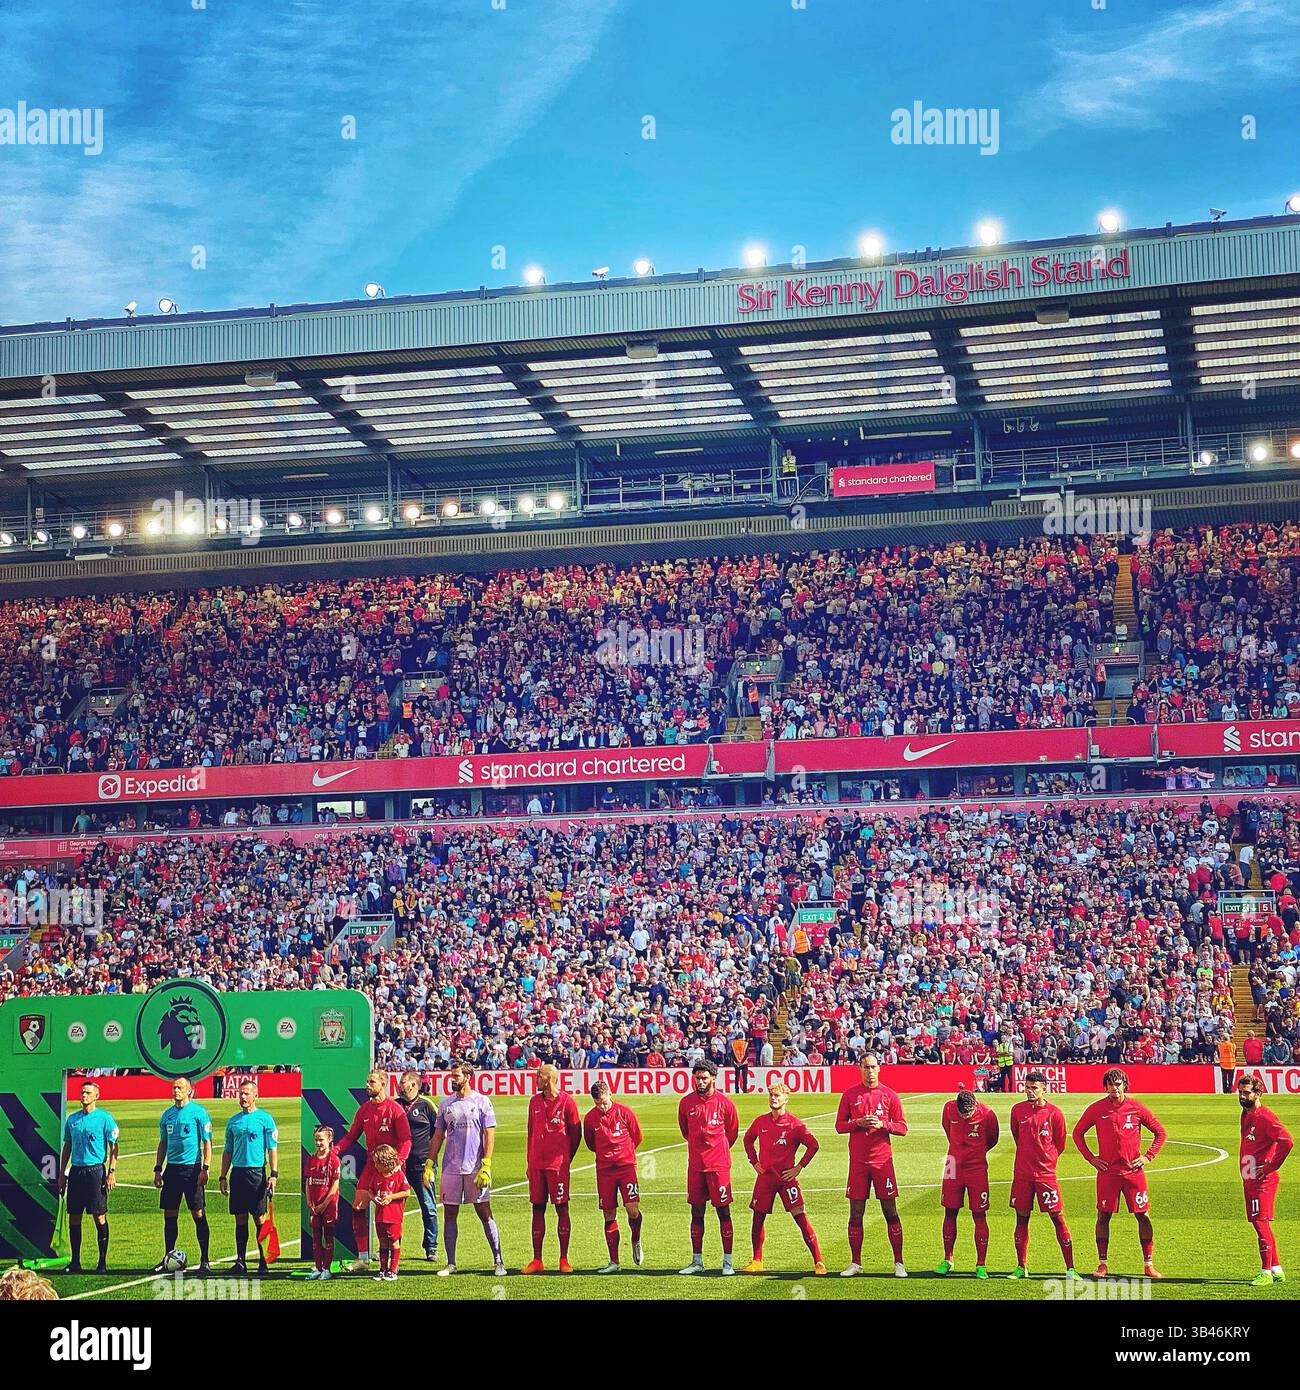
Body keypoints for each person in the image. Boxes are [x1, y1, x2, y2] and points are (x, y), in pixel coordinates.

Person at [1071, 1068, 1166, 1279]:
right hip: (1108, 1174)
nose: (1115, 1089)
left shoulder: (1137, 1108)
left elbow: (1160, 1133)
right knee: (1103, 1216)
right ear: (1105, 1087)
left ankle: (1148, 1264)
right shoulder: (1097, 1109)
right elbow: (1077, 1133)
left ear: (1125, 1085)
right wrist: (1091, 1158)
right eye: (1111, 1085)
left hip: (1134, 1173)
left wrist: (1148, 1156)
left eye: (1118, 1084)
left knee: (1143, 1216)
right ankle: (1102, 1264)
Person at [429, 1061, 506, 1277]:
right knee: (450, 1214)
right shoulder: (446, 1104)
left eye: (456, 1076)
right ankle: (451, 1263)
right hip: (451, 1168)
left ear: (468, 1077)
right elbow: (438, 1136)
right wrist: (429, 1161)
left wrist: (487, 1164)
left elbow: (489, 1133)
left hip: (475, 1168)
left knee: (484, 1212)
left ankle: (498, 1261)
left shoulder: (482, 1101)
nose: (452, 1079)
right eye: (451, 1076)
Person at [835, 1052, 907, 1277]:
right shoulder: (850, 1094)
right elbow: (839, 1126)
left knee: (889, 1210)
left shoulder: (889, 1095)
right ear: (860, 1068)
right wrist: (858, 1122)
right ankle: (855, 1263)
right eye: (866, 1067)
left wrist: (884, 1124)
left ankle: (899, 1263)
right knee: (856, 1211)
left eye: (874, 1067)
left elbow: (902, 1127)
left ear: (880, 1068)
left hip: (882, 1162)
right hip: (858, 1163)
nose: (870, 1071)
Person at [741, 1081, 825, 1275]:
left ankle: (818, 1261)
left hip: (787, 1179)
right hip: (765, 1179)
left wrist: (799, 1167)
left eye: (777, 1096)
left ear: (786, 1099)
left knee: (800, 1217)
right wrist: (754, 1161)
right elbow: (747, 1139)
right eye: (771, 1096)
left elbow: (813, 1145)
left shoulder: (795, 1124)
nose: (773, 1099)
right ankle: (757, 1260)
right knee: (758, 1219)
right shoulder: (760, 1121)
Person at [333, 1068, 411, 1272]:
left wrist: (398, 1163)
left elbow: (406, 1140)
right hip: (371, 1164)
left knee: (391, 1214)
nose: (367, 1085)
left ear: (383, 1084)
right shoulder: (364, 1110)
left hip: (391, 1169)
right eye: (367, 1082)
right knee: (358, 1206)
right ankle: (364, 1258)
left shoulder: (395, 1109)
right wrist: (336, 1150)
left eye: (371, 1082)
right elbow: (351, 1136)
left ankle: (392, 1260)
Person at [1008, 1072, 1076, 1280]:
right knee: (1021, 1218)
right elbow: (1017, 1137)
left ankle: (1070, 1268)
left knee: (1058, 1218)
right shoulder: (1017, 1110)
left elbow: (1060, 1143)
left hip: (1046, 1175)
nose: (1030, 1091)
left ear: (1044, 1088)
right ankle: (1022, 1266)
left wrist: (1047, 1160)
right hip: (1022, 1175)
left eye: (1034, 1087)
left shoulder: (1054, 1113)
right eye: (1027, 1087)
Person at [677, 1060, 739, 1275]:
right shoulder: (686, 1103)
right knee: (696, 1213)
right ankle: (697, 1261)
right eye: (697, 1078)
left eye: (704, 1078)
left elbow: (732, 1133)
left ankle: (728, 1262)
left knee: (723, 1211)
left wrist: (717, 1151)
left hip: (718, 1166)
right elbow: (686, 1131)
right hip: (695, 1166)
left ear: (713, 1078)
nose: (700, 1082)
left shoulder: (725, 1103)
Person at [522, 1063, 581, 1274]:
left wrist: (565, 1159)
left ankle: (563, 1259)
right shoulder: (534, 1102)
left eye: (539, 1076)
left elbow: (576, 1134)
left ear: (548, 1079)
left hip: (557, 1167)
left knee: (561, 1208)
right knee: (537, 1208)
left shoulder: (567, 1102)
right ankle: (537, 1259)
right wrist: (529, 1162)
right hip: (537, 1166)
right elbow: (530, 1133)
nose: (535, 1079)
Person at [151, 1076, 214, 1275]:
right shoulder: (167, 1115)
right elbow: (163, 1144)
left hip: (192, 1170)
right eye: (174, 1087)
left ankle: (205, 1260)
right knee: (170, 1216)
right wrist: (158, 1168)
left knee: (198, 1214)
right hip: (172, 1171)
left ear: (189, 1091)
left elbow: (207, 1142)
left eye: (180, 1087)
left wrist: (205, 1168)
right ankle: (167, 1257)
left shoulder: (199, 1113)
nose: (175, 1090)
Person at [935, 1088, 999, 1279]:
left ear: (975, 1106)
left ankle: (981, 1264)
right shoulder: (948, 1108)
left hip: (977, 1167)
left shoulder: (987, 1115)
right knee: (949, 1211)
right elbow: (947, 1128)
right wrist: (957, 1150)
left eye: (969, 1113)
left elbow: (992, 1139)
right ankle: (948, 1259)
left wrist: (975, 1153)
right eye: (962, 1113)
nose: (965, 1117)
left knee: (979, 1214)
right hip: (952, 1164)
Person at [1237, 1072, 1294, 1286]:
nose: (1242, 1096)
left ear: (1258, 1093)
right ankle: (1276, 1268)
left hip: (1262, 1180)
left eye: (1246, 1093)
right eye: (1240, 1092)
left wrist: (1270, 1166)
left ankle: (1265, 1272)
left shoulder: (1266, 1117)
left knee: (1261, 1223)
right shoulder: (1246, 1114)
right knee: (1259, 1223)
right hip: (1249, 1177)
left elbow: (1287, 1141)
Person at [583, 1075, 644, 1274]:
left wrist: (625, 1153)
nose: (603, 1107)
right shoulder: (590, 1118)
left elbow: (637, 1136)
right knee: (609, 1212)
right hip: (604, 1171)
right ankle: (614, 1261)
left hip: (626, 1168)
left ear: (611, 1095)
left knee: (632, 1209)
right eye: (598, 1104)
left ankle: (635, 1237)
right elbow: (591, 1144)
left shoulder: (625, 1112)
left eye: (605, 1102)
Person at [217, 1080, 279, 1276]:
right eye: (240, 1093)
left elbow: (272, 1149)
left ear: (255, 1095)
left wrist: (273, 1174)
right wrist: (222, 1176)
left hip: (256, 1173)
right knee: (240, 1218)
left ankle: (263, 1262)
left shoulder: (265, 1119)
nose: (242, 1097)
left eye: (246, 1093)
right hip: (238, 1174)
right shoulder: (233, 1121)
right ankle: (241, 1262)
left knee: (260, 1218)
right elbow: (227, 1151)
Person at [58, 1080, 119, 1275]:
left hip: (95, 1172)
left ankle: (102, 1262)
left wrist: (111, 1172)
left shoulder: (105, 1118)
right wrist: (62, 1173)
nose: (84, 1095)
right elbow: (67, 1146)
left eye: (88, 1092)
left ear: (96, 1096)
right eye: (82, 1092)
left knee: (99, 1216)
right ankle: (75, 1261)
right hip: (76, 1171)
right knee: (74, 1216)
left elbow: (114, 1146)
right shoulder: (72, 1119)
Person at [394, 1070, 439, 1262]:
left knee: (428, 1206)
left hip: (422, 1165)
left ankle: (431, 1247)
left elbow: (438, 1133)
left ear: (413, 1085)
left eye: (403, 1082)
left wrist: (430, 1159)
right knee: (394, 1208)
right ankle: (392, 1245)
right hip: (398, 1166)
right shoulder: (394, 1104)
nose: (399, 1085)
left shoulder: (427, 1105)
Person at [366, 1144, 410, 1282]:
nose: (376, 1166)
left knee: (394, 1242)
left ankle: (393, 1270)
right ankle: (383, 1269)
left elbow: (407, 1192)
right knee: (383, 1242)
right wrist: (374, 1198)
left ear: (386, 1162)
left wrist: (391, 1197)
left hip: (394, 1217)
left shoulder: (398, 1176)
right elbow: (370, 1191)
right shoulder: (376, 1176)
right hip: (380, 1217)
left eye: (378, 1164)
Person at [303, 1124, 341, 1279]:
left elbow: (335, 1184)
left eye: (321, 1140)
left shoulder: (334, 1160)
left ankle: (327, 1269)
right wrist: (309, 1203)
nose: (318, 1143)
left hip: (328, 1205)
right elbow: (307, 1182)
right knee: (316, 1237)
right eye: (316, 1140)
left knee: (328, 1236)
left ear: (329, 1140)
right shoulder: (311, 1159)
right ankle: (318, 1267)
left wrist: (324, 1204)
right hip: (314, 1206)